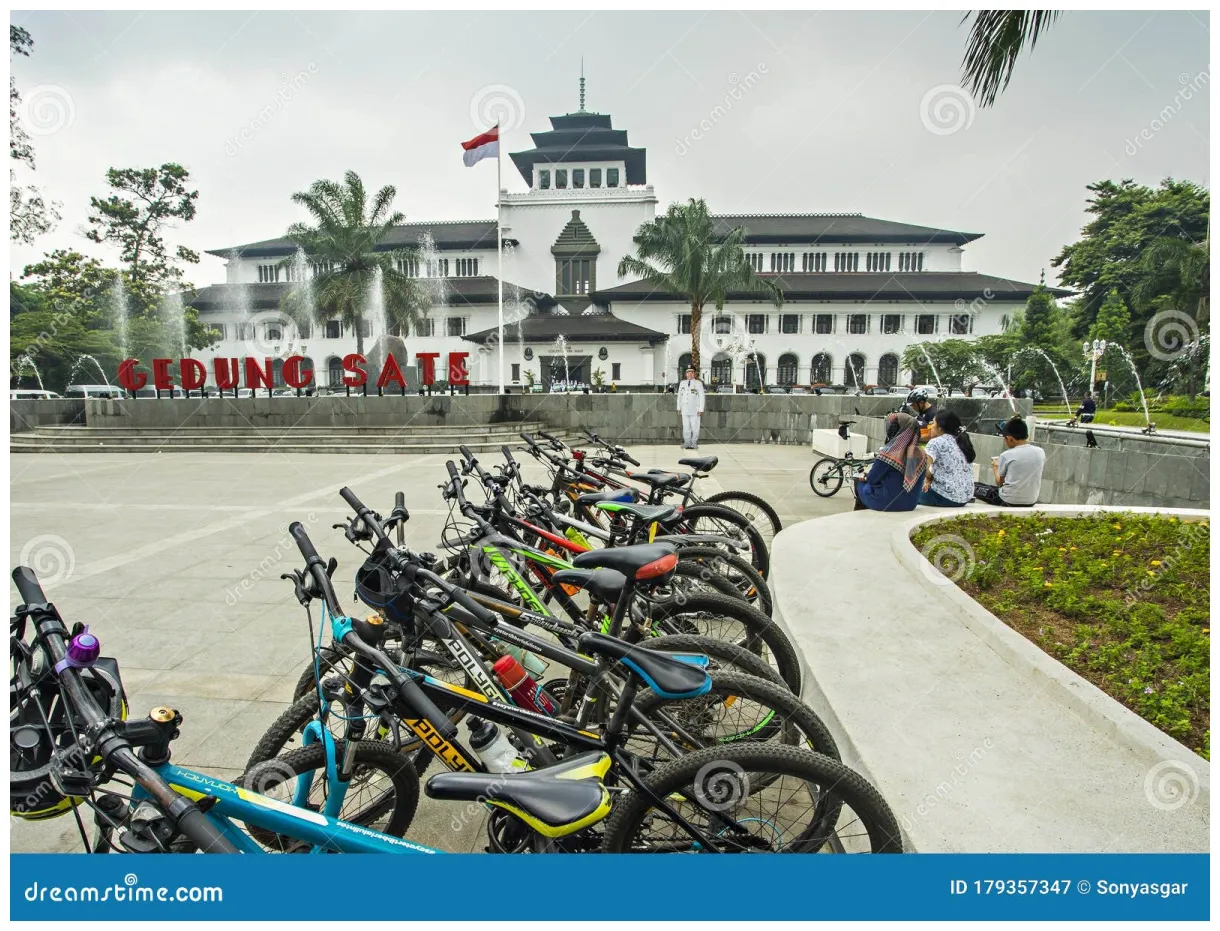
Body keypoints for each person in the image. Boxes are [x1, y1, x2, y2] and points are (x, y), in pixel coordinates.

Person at [852, 412, 928, 512]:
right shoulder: (922, 454)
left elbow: (872, 479)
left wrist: (865, 477)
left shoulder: (888, 453)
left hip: (887, 504)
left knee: (859, 481)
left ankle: (860, 514)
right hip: (910, 504)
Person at [974, 415, 1046, 507]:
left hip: (1008, 500)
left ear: (1010, 439)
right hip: (1031, 501)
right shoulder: (1040, 452)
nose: (1004, 441)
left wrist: (995, 466)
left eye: (1005, 438)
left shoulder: (1006, 455)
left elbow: (1000, 483)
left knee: (974, 486)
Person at [920, 410, 976, 507]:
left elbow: (924, 468)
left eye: (933, 423)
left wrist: (929, 478)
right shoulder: (962, 441)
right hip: (965, 498)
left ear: (940, 428)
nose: (930, 426)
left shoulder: (935, 442)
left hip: (944, 496)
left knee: (908, 493)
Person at [676, 365, 705, 449]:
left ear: (694, 374)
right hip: (685, 409)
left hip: (695, 410)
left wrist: (701, 409)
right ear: (686, 374)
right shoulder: (682, 383)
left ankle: (694, 443)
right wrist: (679, 407)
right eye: (688, 372)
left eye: (692, 372)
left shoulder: (698, 383)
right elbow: (679, 396)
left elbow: (702, 397)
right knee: (686, 427)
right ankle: (687, 442)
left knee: (695, 427)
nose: (690, 374)